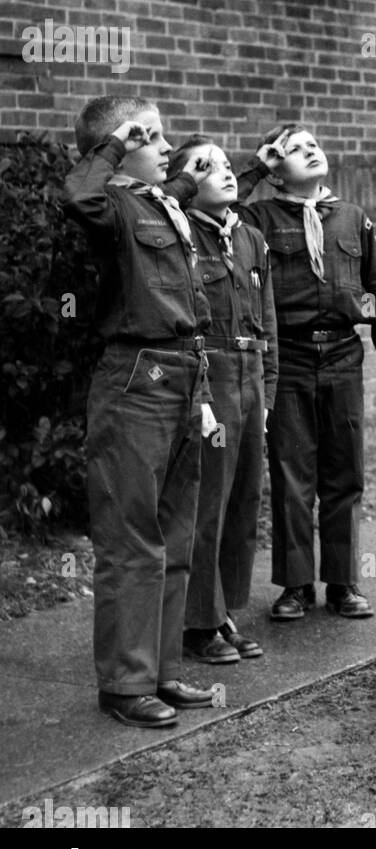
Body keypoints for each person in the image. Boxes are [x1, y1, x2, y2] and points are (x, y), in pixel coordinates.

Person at [63, 96, 217, 728]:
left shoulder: (162, 205)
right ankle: (125, 684)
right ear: (118, 149)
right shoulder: (112, 207)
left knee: (175, 532)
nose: (162, 143)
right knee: (132, 538)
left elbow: (184, 179)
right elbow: (79, 197)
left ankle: (160, 670)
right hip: (137, 378)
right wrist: (113, 145)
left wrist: (203, 397)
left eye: (160, 132)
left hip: (184, 374)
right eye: (145, 135)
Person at [237, 125, 376, 622]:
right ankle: (295, 584)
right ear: (276, 170)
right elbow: (218, 211)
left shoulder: (352, 218)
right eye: (294, 149)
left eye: (314, 145)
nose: (310, 151)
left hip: (343, 356)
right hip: (288, 358)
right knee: (291, 474)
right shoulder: (258, 218)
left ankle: (343, 581)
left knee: (344, 472)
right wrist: (258, 168)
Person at [171, 136, 278, 666]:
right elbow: (189, 324)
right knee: (208, 500)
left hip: (252, 373)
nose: (225, 172)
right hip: (212, 374)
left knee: (243, 500)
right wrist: (203, 395)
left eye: (227, 164)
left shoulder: (253, 239)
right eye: (205, 167)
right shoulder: (183, 233)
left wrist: (269, 391)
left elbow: (269, 319)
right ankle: (199, 622)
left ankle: (227, 610)